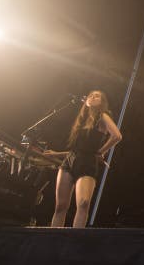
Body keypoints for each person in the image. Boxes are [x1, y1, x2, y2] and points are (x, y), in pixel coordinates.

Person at [46, 90, 123, 228]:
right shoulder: (81, 121)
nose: (92, 97)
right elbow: (77, 150)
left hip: (88, 163)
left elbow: (117, 136)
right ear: (86, 101)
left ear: (102, 102)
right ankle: (54, 237)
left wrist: (100, 152)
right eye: (90, 95)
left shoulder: (102, 116)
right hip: (69, 161)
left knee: (83, 203)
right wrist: (56, 154)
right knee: (60, 206)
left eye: (97, 96)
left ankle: (75, 238)